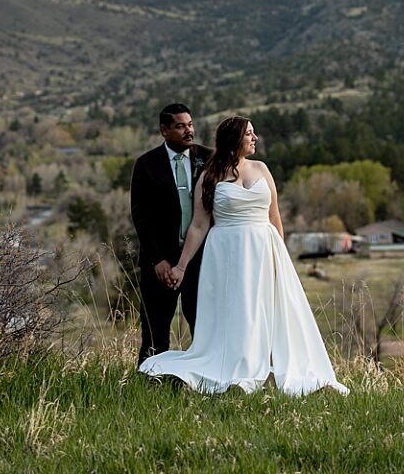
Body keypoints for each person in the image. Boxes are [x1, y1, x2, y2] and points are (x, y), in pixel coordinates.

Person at [139, 116, 348, 395]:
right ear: (235, 138)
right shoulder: (210, 175)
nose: (255, 137)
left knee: (266, 309)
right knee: (238, 310)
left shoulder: (262, 169)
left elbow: (275, 218)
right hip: (226, 253)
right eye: (249, 133)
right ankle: (235, 365)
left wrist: (281, 260)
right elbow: (199, 225)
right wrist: (181, 266)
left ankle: (270, 363)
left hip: (264, 250)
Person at [130, 102, 213, 364]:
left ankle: (202, 379)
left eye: (190, 125)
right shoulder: (146, 164)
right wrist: (158, 260)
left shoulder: (209, 158)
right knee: (155, 332)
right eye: (180, 126)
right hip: (160, 263)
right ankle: (151, 382)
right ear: (164, 130)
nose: (189, 131)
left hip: (200, 261)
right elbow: (141, 217)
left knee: (203, 327)